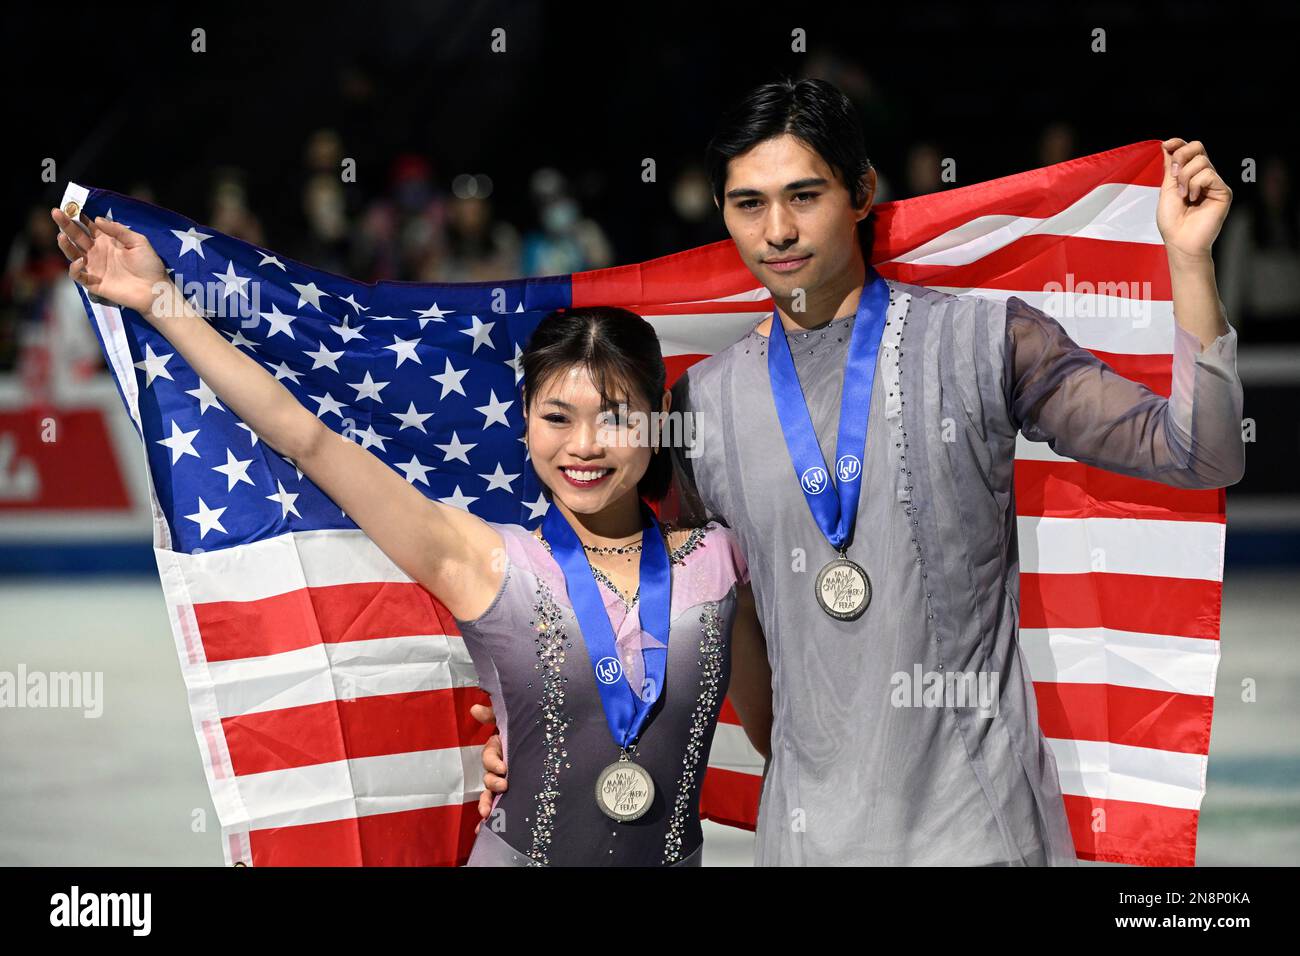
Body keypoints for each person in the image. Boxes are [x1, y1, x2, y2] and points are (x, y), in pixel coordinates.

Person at [476, 78, 1246, 865]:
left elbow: (1200, 453)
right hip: (804, 840)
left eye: (803, 195)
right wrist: (540, 745)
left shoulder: (986, 341)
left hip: (981, 834)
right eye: (748, 204)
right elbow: (640, 616)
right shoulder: (695, 409)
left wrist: (1188, 261)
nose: (777, 231)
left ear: (862, 192)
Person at [48, 207, 773, 866]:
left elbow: (777, 734)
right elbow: (310, 441)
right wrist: (160, 300)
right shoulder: (482, 559)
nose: (584, 445)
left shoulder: (717, 560)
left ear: (657, 422)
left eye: (615, 417)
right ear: (524, 423)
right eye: (557, 417)